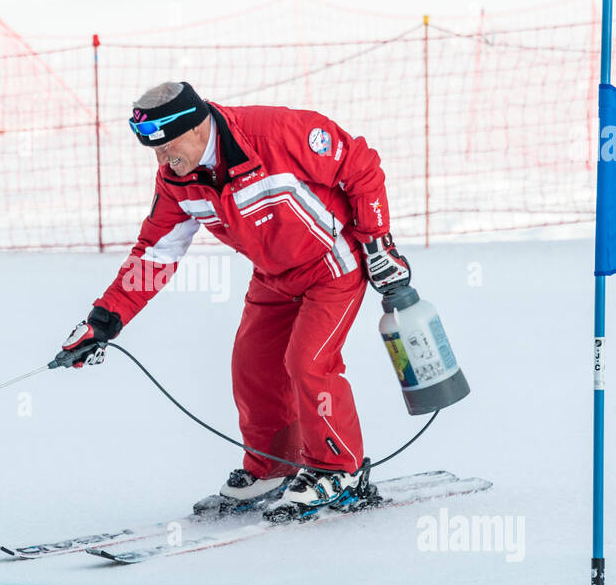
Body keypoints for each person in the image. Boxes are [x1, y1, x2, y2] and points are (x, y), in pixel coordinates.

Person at [58, 81, 410, 511]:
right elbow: (154, 255)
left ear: (195, 128)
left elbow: (359, 164)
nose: (162, 160)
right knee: (252, 364)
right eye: (153, 151)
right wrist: (104, 320)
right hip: (274, 276)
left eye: (167, 147)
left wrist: (378, 242)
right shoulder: (176, 181)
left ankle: (340, 471)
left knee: (308, 362)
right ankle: (274, 467)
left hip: (333, 262)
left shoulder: (274, 133)